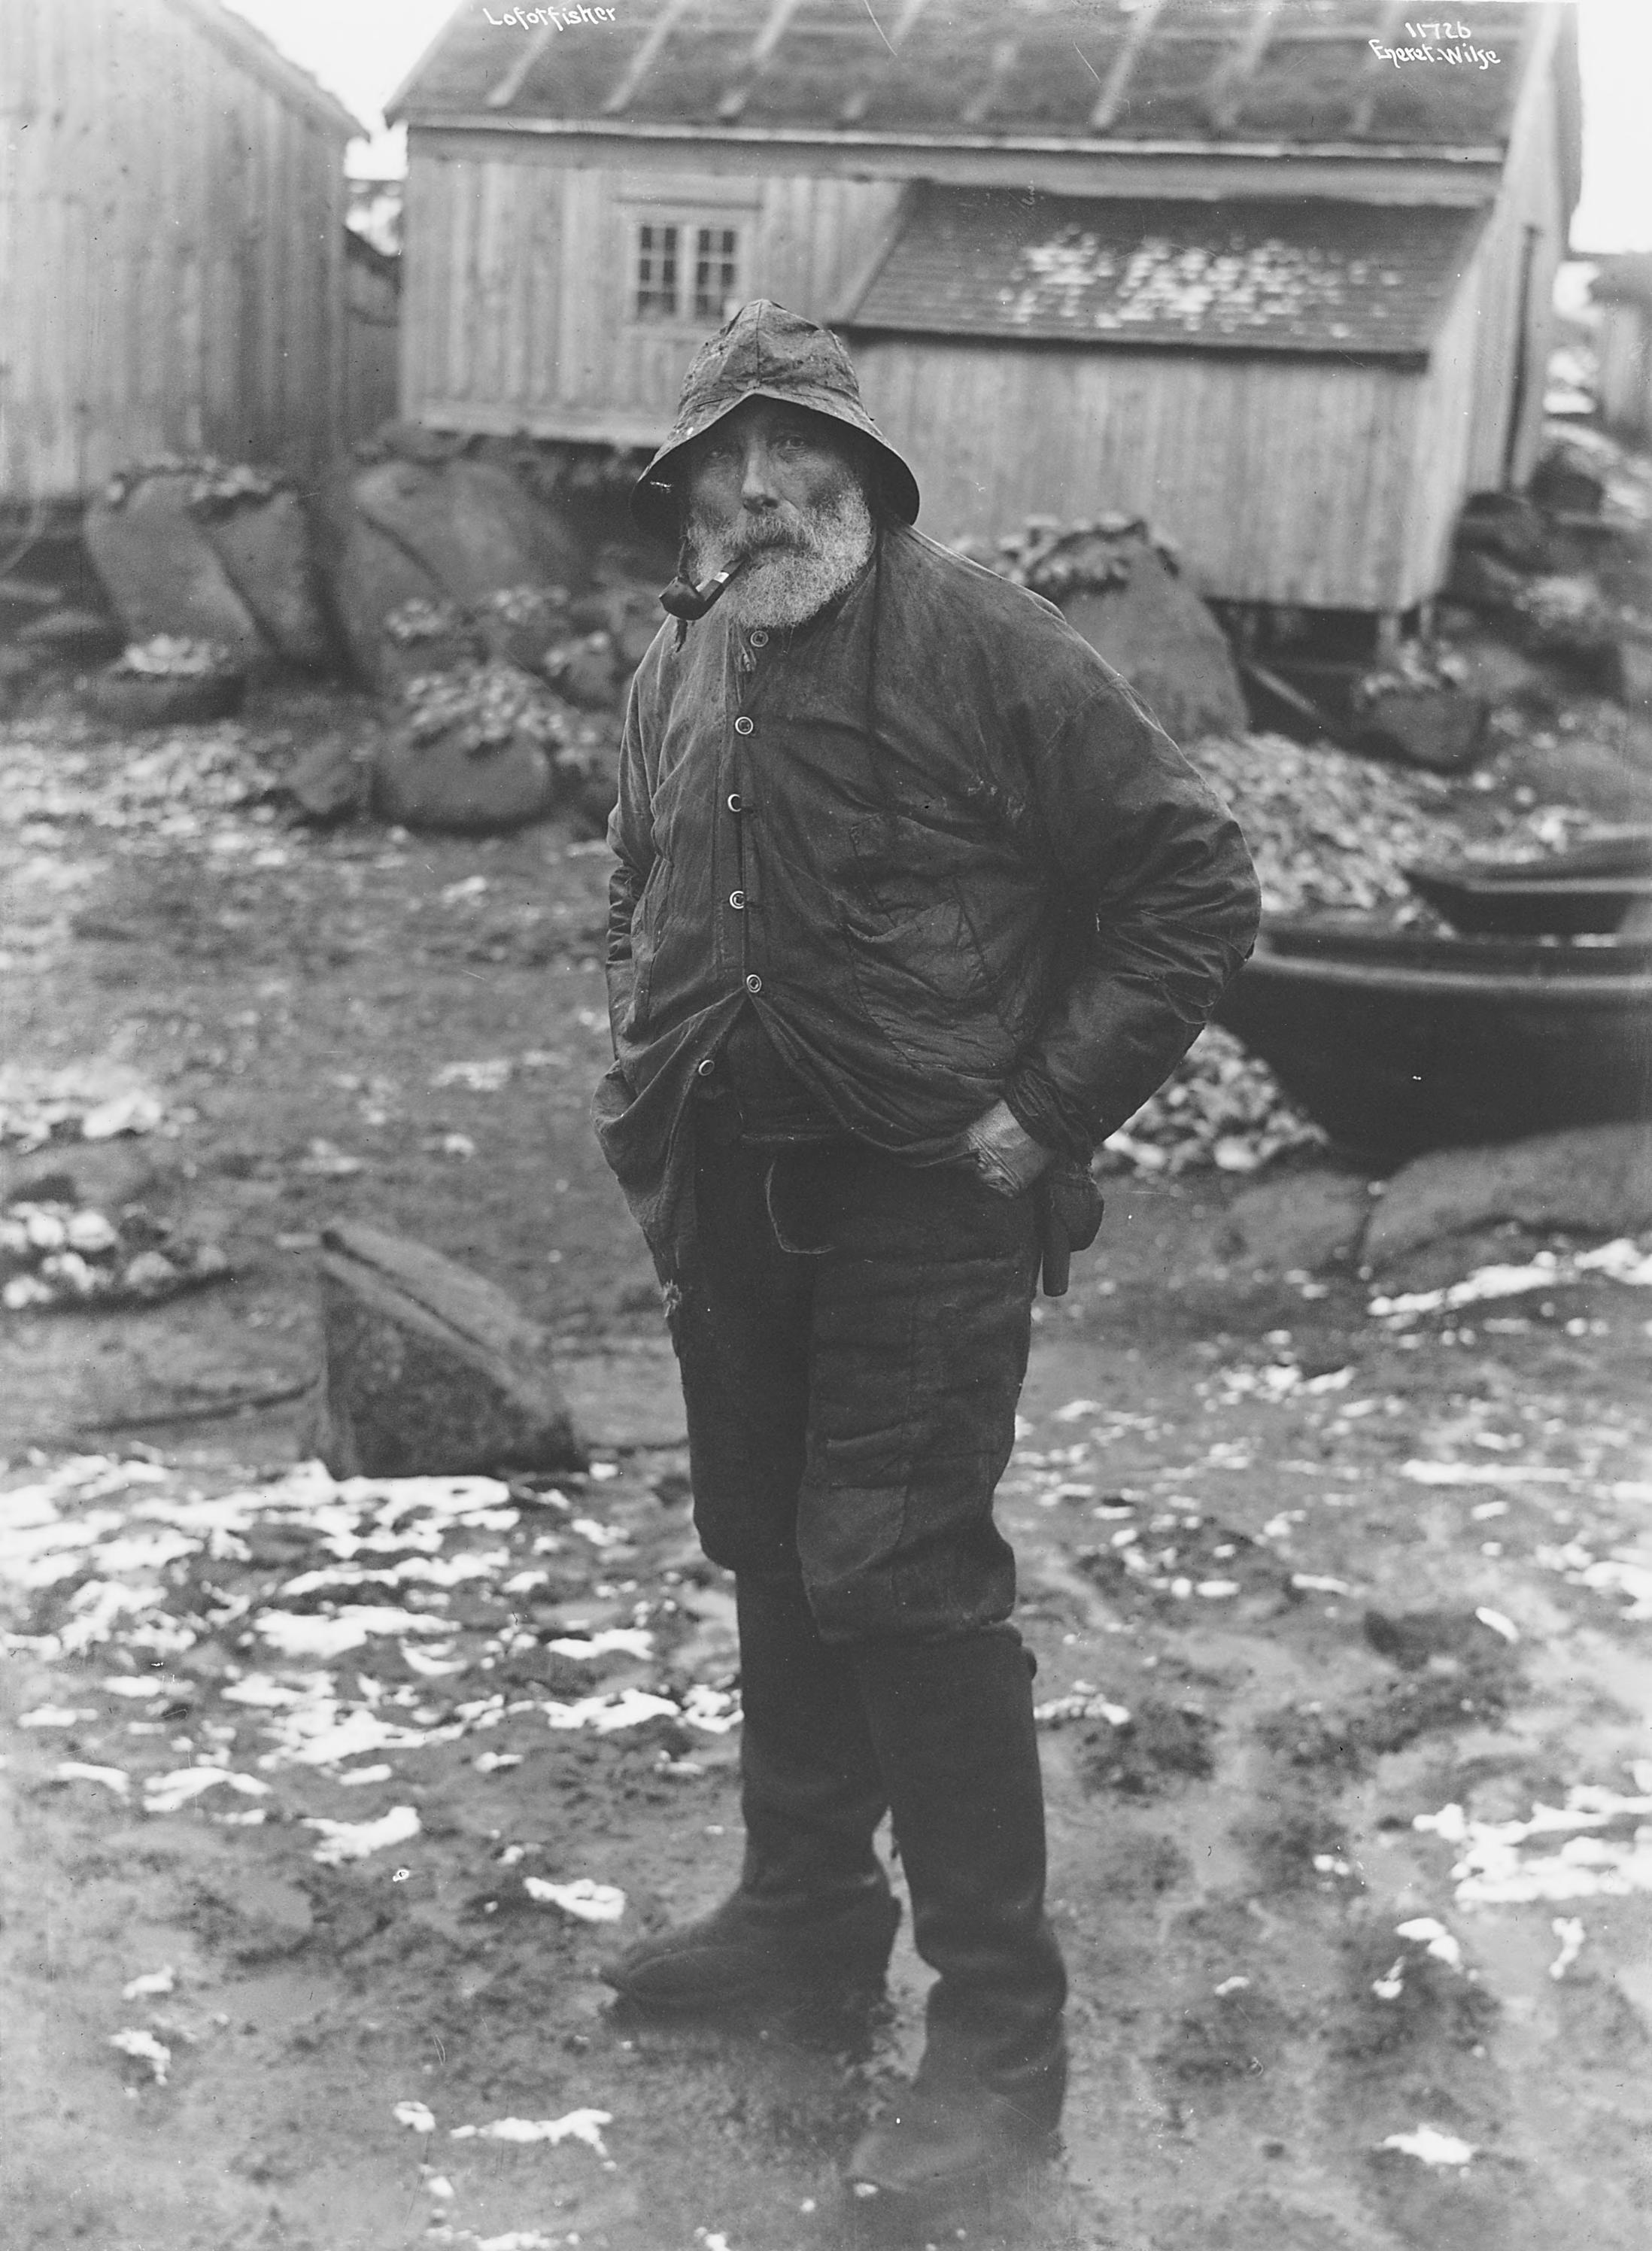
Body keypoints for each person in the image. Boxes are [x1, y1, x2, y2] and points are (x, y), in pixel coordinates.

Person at [591, 300, 1260, 2214]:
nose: (758, 490)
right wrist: (637, 1057)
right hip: (733, 1186)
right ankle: (805, 1919)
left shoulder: (985, 641)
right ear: (694, 494)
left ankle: (1002, 2047)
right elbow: (640, 876)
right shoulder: (685, 657)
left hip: (930, 1191)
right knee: (773, 1543)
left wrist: (1043, 1116)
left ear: (865, 477)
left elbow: (1193, 878)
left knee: (900, 1572)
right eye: (724, 461)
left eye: (797, 454)